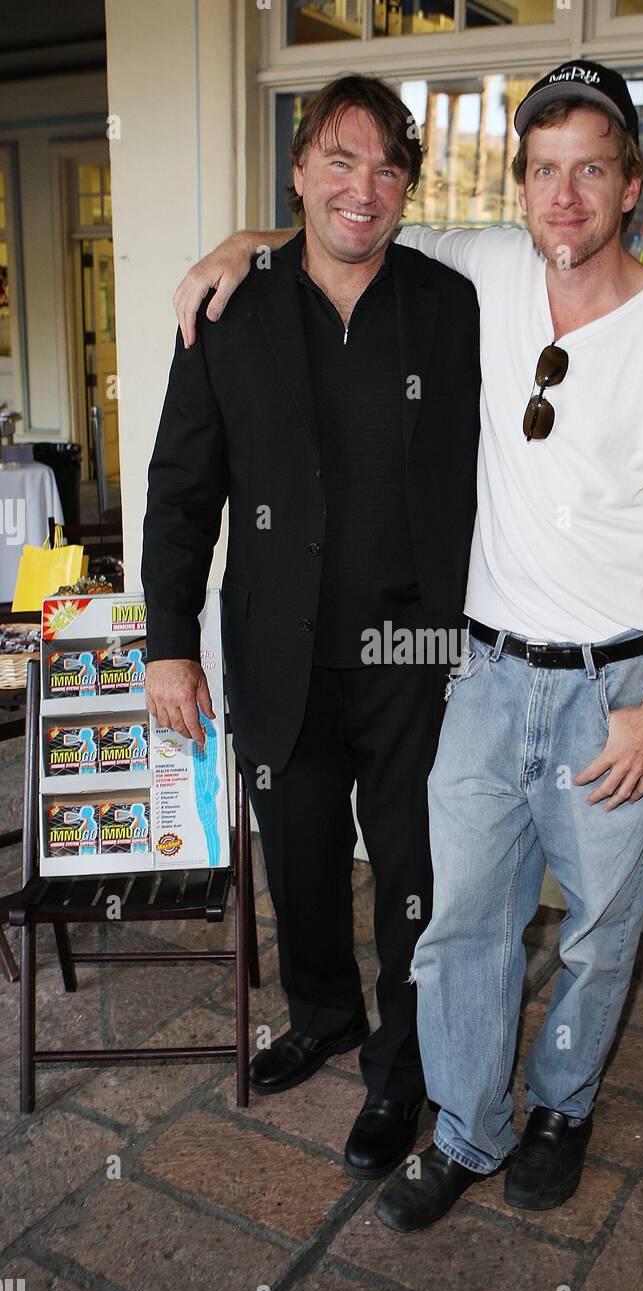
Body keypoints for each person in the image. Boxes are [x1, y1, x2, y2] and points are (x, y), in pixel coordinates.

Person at [172, 61, 643, 1232]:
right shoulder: (481, 268)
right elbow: (352, 216)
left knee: (595, 935)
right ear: (522, 187)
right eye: (543, 170)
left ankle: (559, 1108)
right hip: (482, 673)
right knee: (461, 924)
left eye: (590, 168)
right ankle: (469, 1125)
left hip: (616, 684)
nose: (564, 193)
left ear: (630, 187)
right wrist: (240, 241)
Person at [142, 75, 481, 1182]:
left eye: (386, 167)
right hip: (277, 648)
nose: (363, 188)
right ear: (295, 172)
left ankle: (400, 1068)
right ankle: (323, 1012)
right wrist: (169, 643)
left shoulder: (449, 300)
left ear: (406, 190)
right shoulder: (228, 308)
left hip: (411, 652)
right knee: (294, 860)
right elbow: (180, 490)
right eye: (338, 160)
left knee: (408, 868)